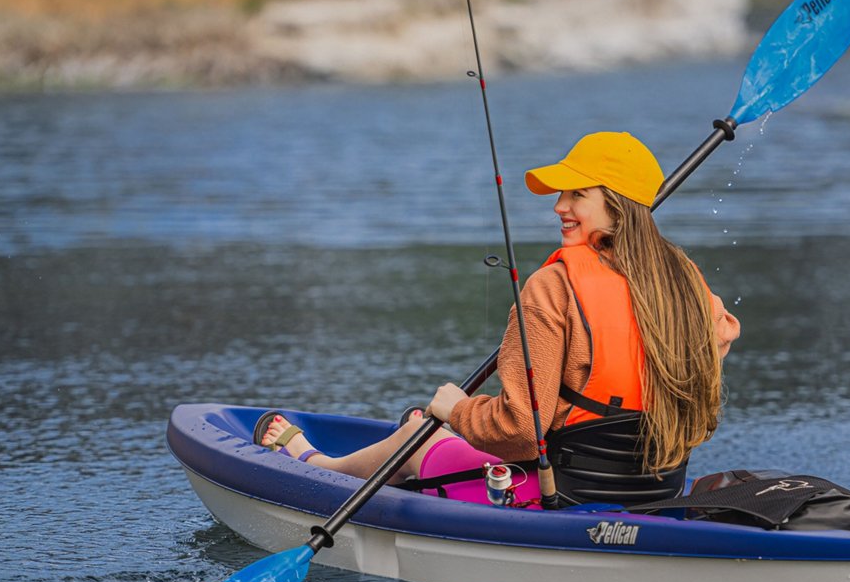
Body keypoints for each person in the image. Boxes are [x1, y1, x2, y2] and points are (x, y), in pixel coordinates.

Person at [255, 131, 740, 508]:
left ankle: (319, 465)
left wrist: (457, 410)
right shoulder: (688, 285)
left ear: (616, 205)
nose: (559, 206)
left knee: (414, 432)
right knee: (421, 422)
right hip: (656, 495)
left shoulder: (552, 287)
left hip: (559, 498)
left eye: (576, 195)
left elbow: (520, 433)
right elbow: (714, 365)